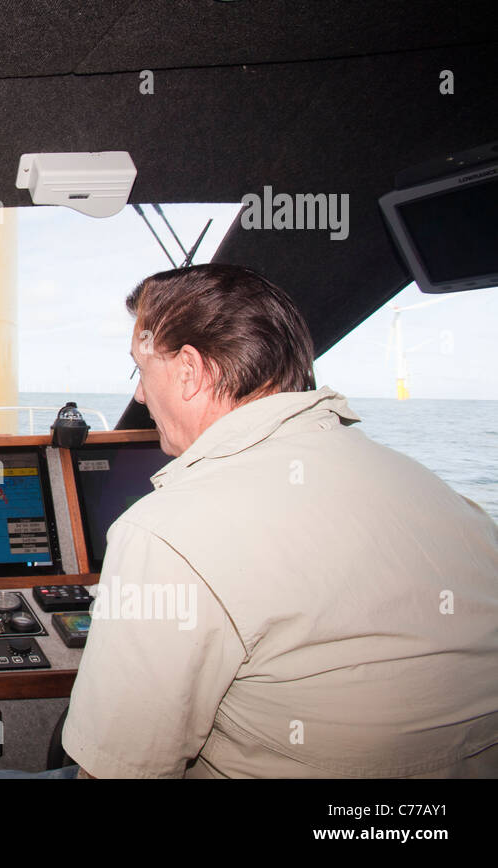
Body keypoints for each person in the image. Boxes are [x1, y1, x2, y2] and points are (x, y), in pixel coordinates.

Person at [62, 264, 498, 778]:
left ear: (189, 370)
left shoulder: (166, 532)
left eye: (140, 369)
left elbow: (117, 773)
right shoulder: (440, 493)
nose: (139, 396)